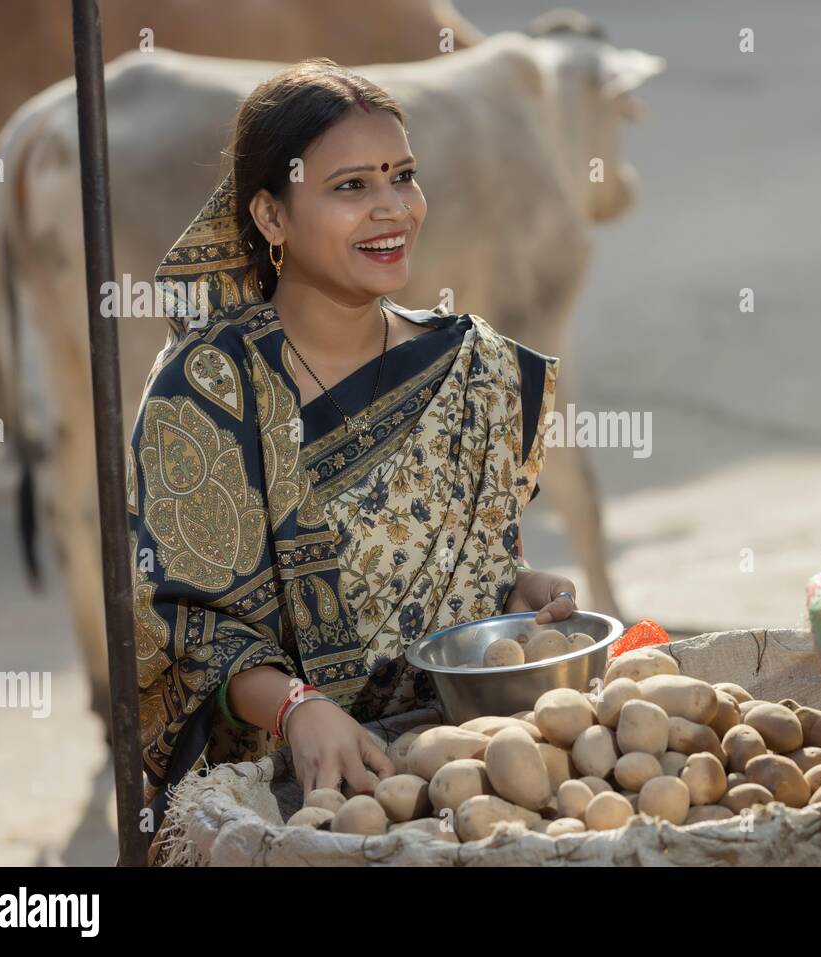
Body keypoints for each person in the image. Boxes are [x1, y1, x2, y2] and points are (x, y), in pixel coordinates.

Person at [128, 58, 575, 859]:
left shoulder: (479, 370)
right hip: (287, 807)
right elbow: (184, 626)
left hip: (471, 782)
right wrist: (297, 706)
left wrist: (519, 588)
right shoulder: (207, 388)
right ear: (270, 214)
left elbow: (457, 556)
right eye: (350, 187)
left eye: (402, 176)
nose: (392, 208)